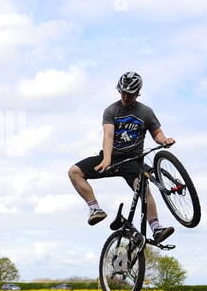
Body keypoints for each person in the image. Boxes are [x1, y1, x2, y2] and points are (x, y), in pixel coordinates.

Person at [67, 71, 176, 243]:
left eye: (130, 94)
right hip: (110, 158)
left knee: (143, 190)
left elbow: (157, 133)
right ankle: (95, 209)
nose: (126, 97)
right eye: (123, 92)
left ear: (137, 93)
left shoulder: (146, 112)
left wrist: (164, 140)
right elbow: (108, 135)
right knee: (74, 172)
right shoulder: (111, 110)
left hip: (133, 162)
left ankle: (156, 228)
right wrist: (107, 159)